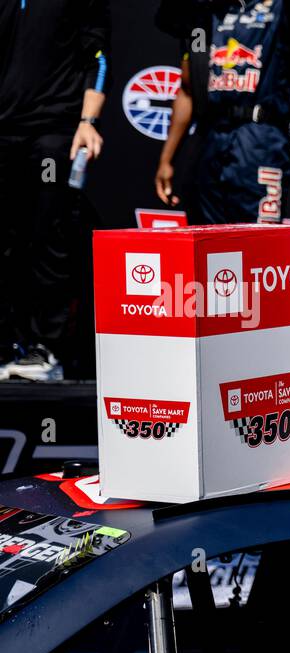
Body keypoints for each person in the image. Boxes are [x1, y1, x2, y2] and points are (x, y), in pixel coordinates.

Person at [0, 0, 111, 382]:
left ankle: (48, 350)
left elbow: (98, 56)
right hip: (4, 130)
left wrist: (88, 120)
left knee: (48, 237)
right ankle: (10, 345)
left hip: (55, 131)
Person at [154, 0, 290, 224]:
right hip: (209, 139)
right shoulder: (207, 13)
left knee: (259, 247)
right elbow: (187, 89)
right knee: (207, 245)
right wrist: (167, 159)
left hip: (259, 140)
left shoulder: (284, 10)